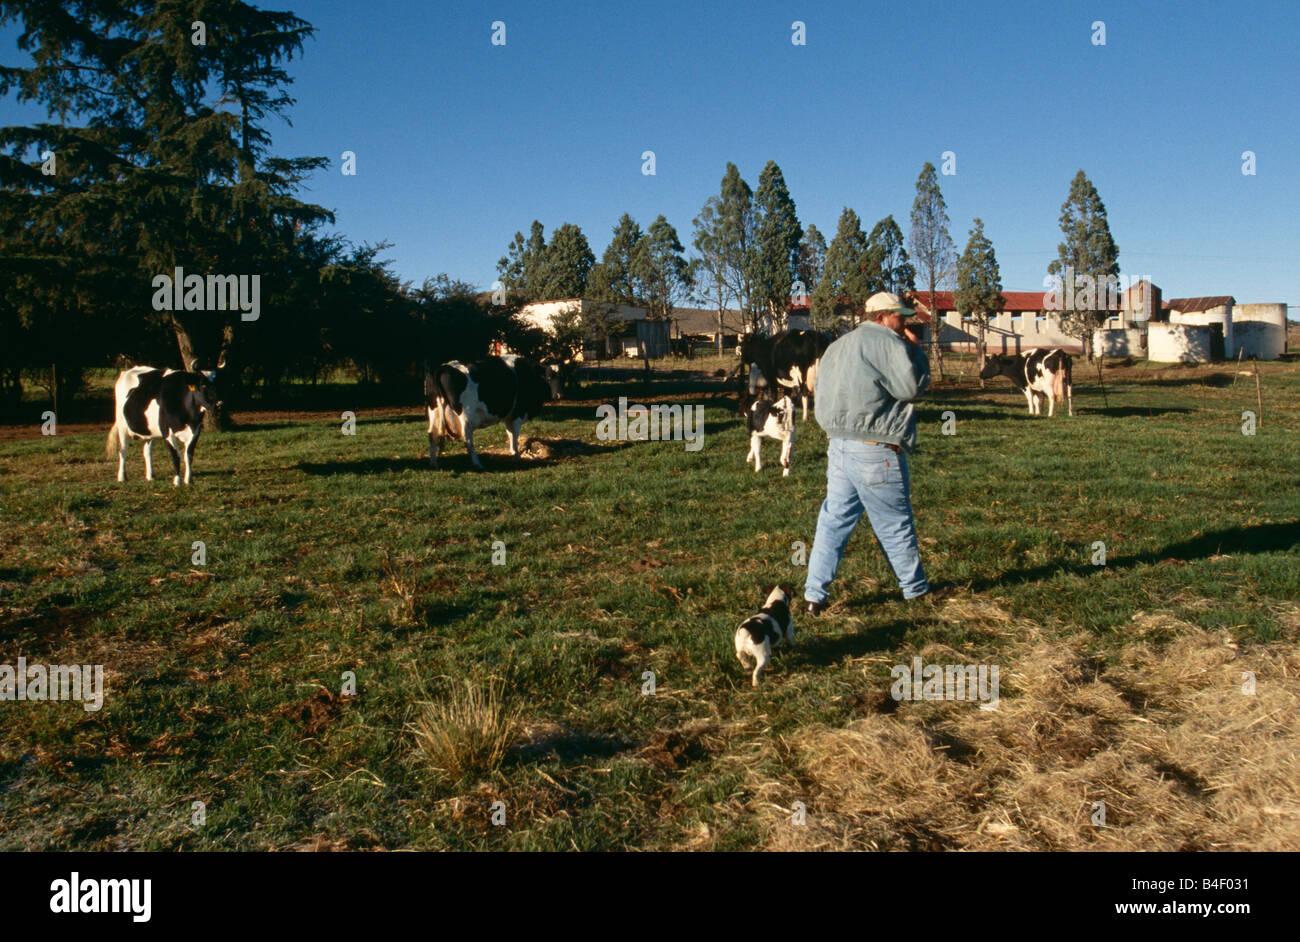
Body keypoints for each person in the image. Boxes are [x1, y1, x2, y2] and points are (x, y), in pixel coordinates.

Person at [803, 292, 951, 614]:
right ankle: (915, 592)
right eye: (900, 316)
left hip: (838, 445)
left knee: (833, 522)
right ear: (883, 317)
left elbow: (818, 390)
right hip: (876, 446)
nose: (906, 321)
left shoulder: (837, 345)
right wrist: (915, 351)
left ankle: (814, 595)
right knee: (894, 522)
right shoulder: (888, 342)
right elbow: (911, 387)